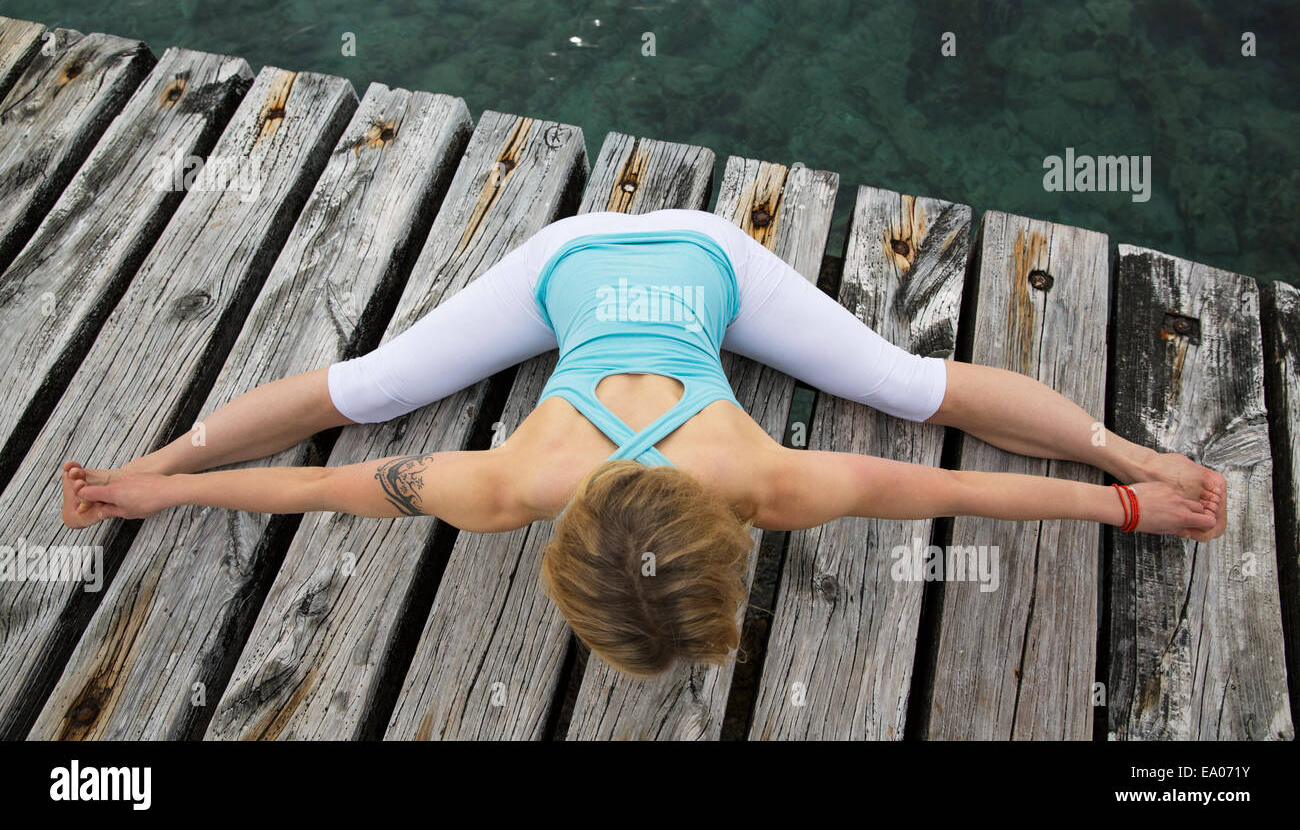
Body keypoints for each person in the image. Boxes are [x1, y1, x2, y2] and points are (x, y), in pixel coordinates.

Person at [61, 208, 1225, 678]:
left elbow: (320, 477)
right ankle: (1121, 438)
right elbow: (955, 482)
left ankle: (1125, 442)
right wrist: (154, 482)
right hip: (644, 259)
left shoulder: (522, 481)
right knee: (911, 386)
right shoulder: (523, 482)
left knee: (366, 389)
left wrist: (162, 479)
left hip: (626, 259)